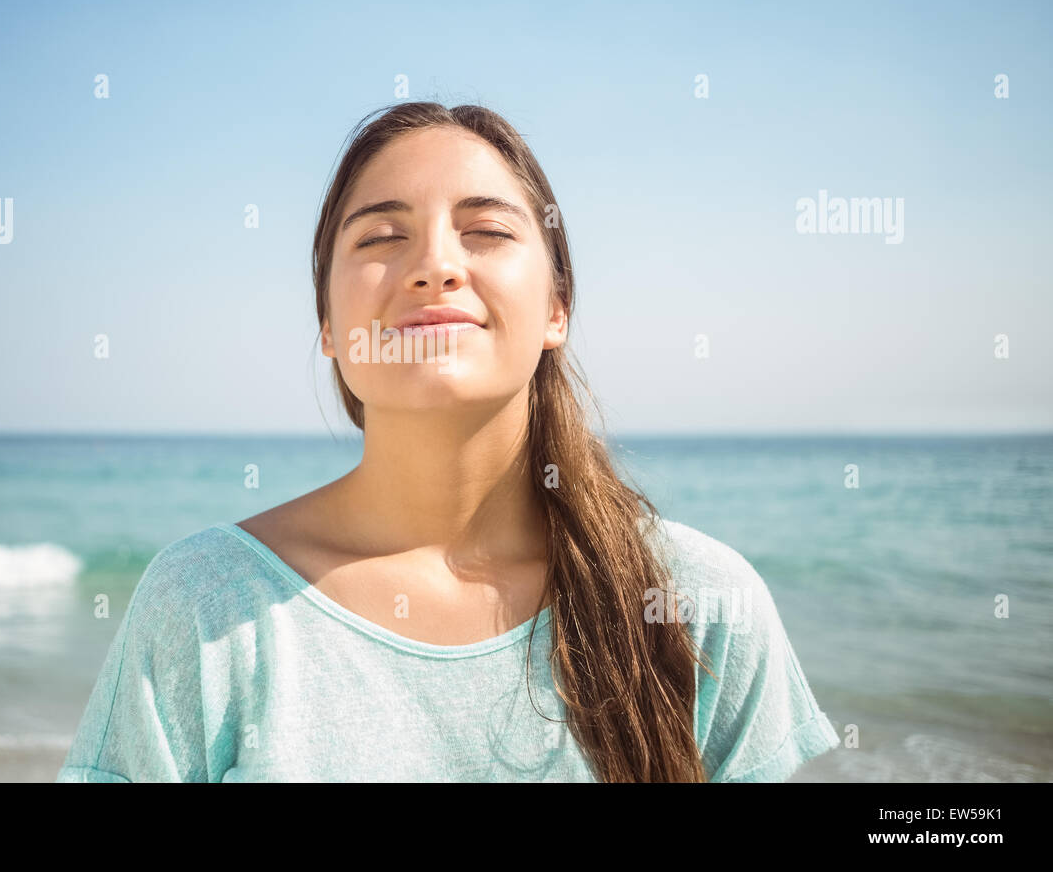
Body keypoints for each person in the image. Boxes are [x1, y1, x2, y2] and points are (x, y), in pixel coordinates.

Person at [56, 101, 841, 782]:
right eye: (380, 238)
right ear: (329, 327)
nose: (434, 265)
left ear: (557, 309)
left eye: (486, 230)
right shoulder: (205, 605)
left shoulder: (694, 603)